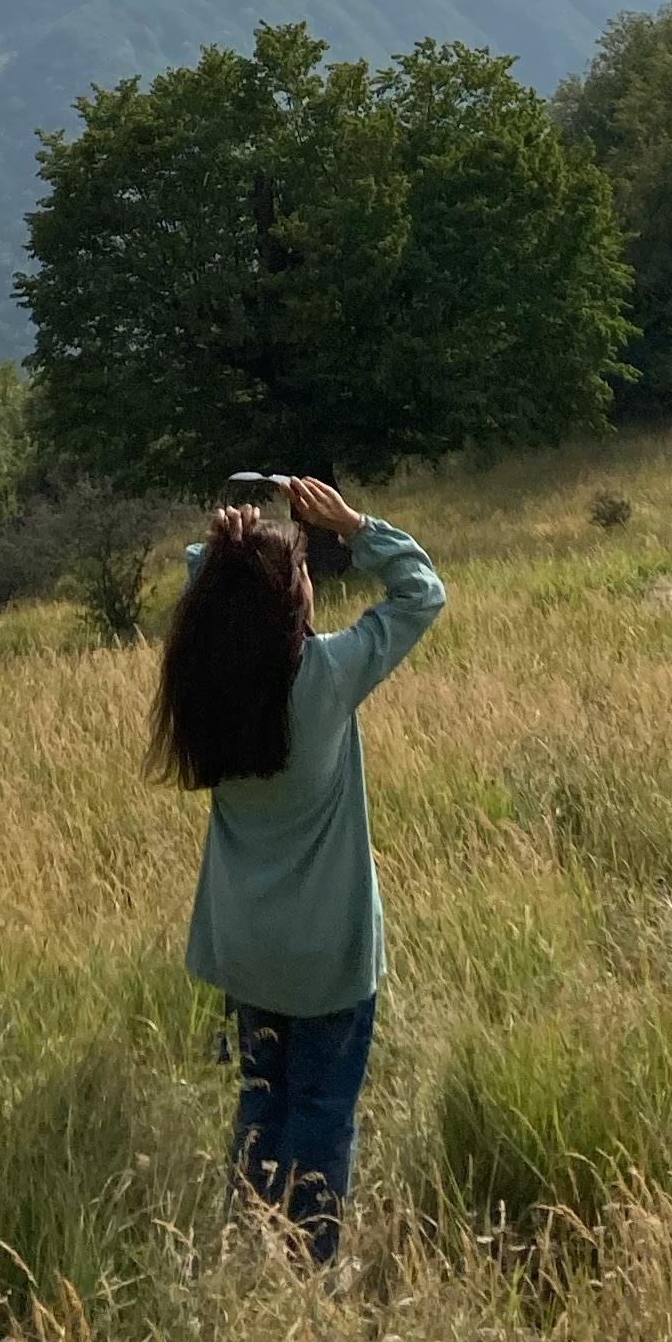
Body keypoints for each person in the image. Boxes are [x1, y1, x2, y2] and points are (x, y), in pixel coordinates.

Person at [148, 472, 448, 1267]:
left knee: (261, 1102)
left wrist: (223, 549)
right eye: (307, 576)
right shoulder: (327, 678)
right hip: (328, 955)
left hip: (246, 950)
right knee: (322, 1116)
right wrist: (356, 525)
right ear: (290, 602)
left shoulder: (205, 689)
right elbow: (422, 594)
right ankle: (309, 1273)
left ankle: (247, 1249)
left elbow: (202, 604)